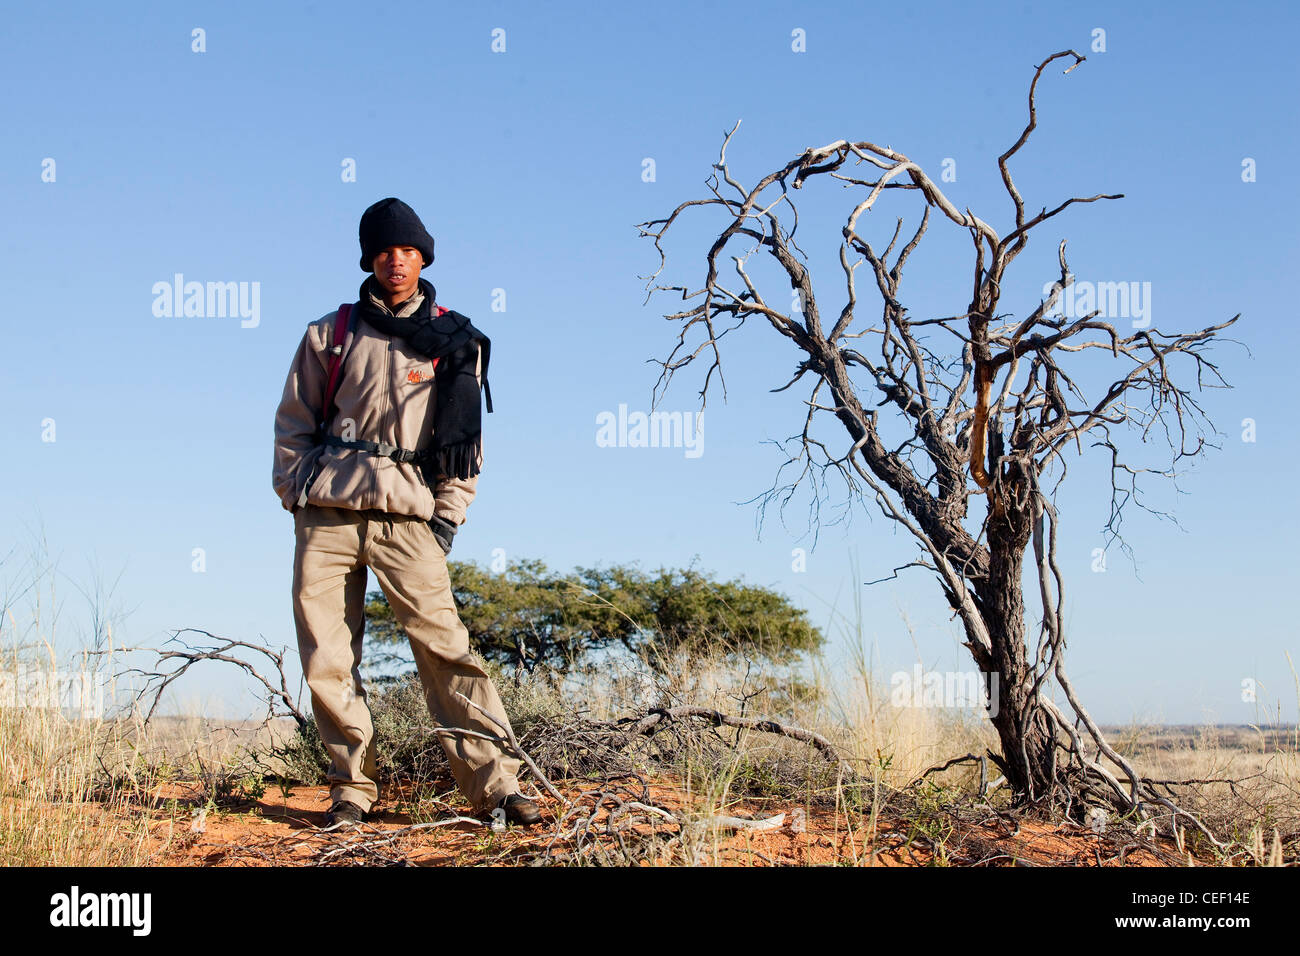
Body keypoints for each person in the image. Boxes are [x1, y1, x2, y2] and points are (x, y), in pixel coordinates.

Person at [272, 197, 541, 829]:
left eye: (408, 250)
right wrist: (296, 493)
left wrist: (449, 516)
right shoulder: (329, 334)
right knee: (328, 657)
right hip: (329, 512)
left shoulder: (457, 340)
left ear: (424, 257)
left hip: (410, 517)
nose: (397, 261)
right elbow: (293, 424)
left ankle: (497, 786)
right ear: (368, 259)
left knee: (447, 651)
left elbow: (465, 446)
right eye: (384, 251)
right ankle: (350, 791)